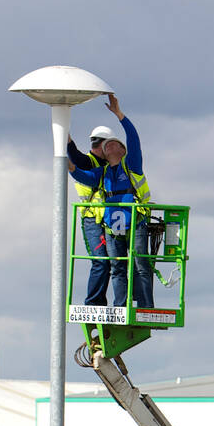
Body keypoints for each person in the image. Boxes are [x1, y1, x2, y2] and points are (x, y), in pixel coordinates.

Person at [68, 94, 154, 311]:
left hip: (135, 222)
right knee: (117, 267)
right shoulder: (102, 171)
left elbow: (134, 138)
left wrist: (119, 115)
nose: (109, 147)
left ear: (123, 151)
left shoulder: (131, 165)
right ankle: (120, 306)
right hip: (113, 227)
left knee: (140, 263)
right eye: (107, 146)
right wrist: (70, 168)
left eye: (114, 144)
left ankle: (145, 306)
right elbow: (83, 174)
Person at [67, 124, 113, 306]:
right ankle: (93, 304)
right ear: (102, 145)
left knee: (115, 262)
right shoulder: (89, 162)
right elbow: (75, 157)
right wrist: (66, 138)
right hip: (92, 220)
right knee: (101, 261)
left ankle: (101, 302)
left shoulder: (108, 165)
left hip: (108, 219)